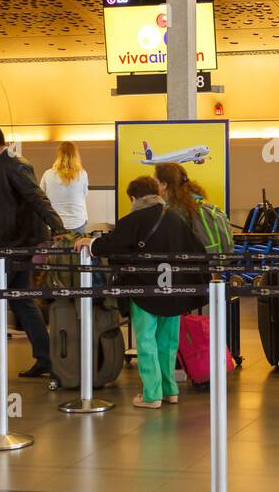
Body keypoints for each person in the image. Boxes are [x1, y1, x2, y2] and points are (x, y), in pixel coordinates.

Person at [82, 175, 205, 408]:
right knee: (168, 343)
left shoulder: (134, 220)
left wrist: (89, 244)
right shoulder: (176, 219)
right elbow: (196, 249)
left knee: (146, 341)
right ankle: (170, 390)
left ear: (133, 197)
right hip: (175, 290)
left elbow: (111, 245)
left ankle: (152, 395)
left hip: (145, 289)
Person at [0, 123, 65, 381]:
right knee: (21, 301)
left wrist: (56, 226)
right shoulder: (3, 167)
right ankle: (45, 357)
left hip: (8, 249)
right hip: (12, 246)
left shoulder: (13, 164)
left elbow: (35, 196)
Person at [41, 142, 89, 234]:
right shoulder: (82, 174)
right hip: (77, 222)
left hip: (54, 224)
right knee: (77, 248)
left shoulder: (47, 174)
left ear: (58, 154)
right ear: (76, 155)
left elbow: (42, 198)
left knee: (55, 249)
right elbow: (84, 194)